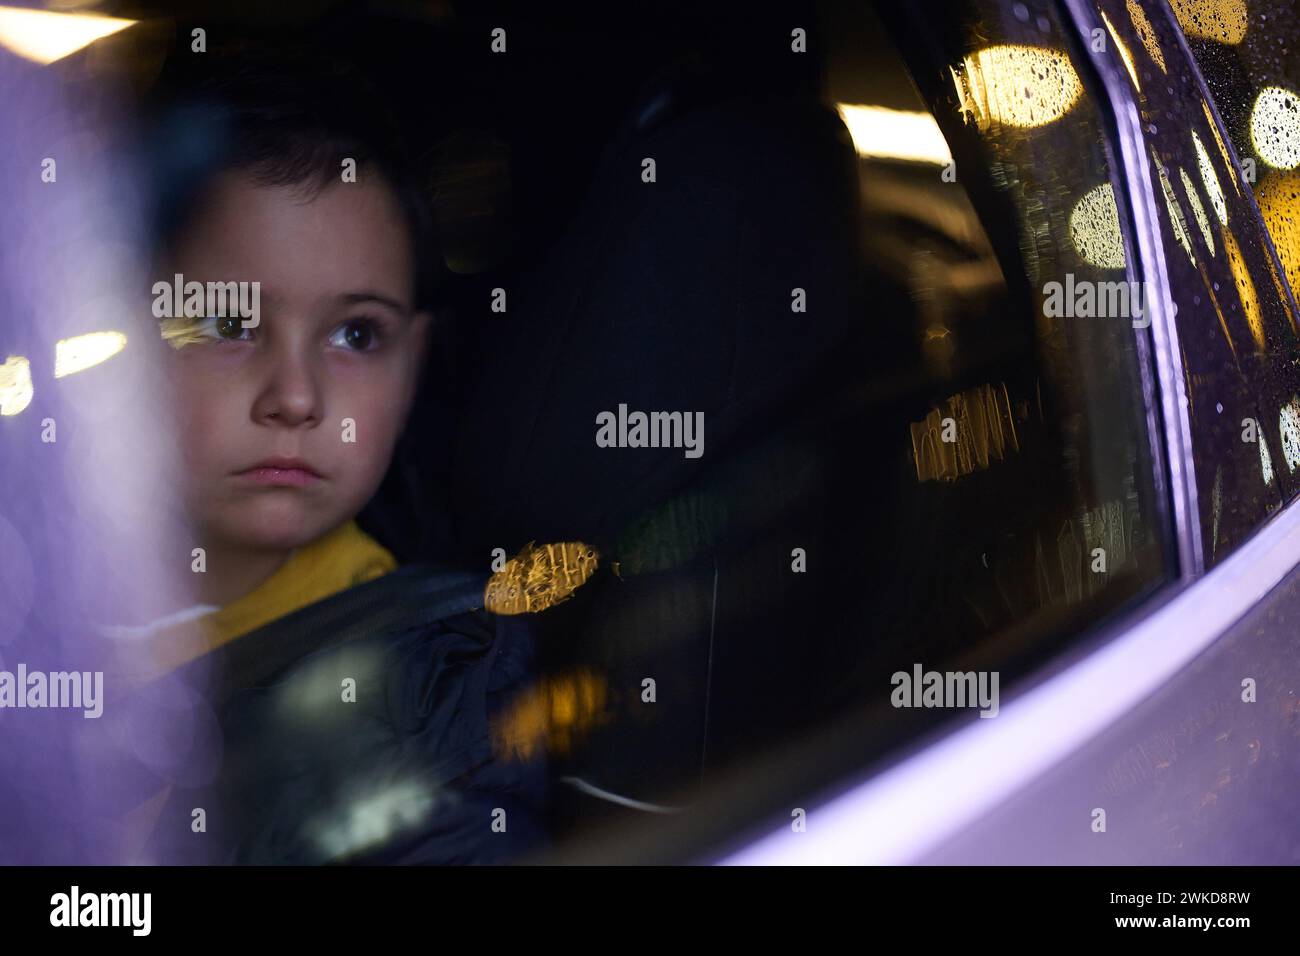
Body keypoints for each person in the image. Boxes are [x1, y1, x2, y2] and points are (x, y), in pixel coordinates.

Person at [111, 51, 549, 864]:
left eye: (357, 335)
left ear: (413, 366)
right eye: (224, 324)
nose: (297, 396)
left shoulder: (431, 684)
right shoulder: (39, 596)